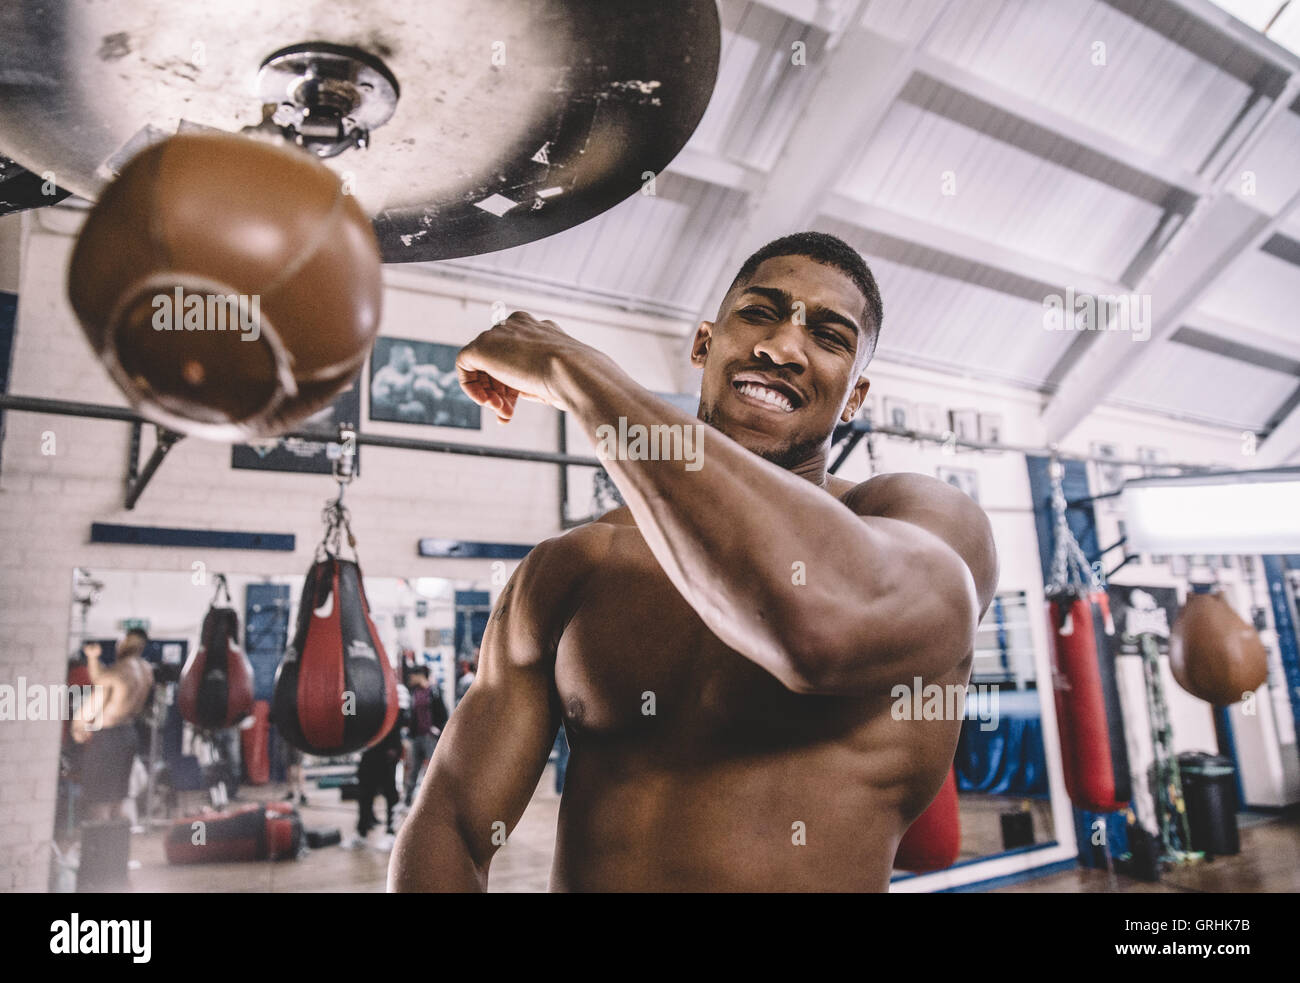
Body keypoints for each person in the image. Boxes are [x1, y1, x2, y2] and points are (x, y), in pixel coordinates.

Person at [390, 231, 998, 892]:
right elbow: (451, 818)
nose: (781, 346)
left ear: (854, 396)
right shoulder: (573, 566)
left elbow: (822, 626)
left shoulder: (927, 520)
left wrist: (575, 371)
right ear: (704, 345)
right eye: (760, 312)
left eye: (828, 335)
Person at [72, 630, 154, 823]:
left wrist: (78, 725)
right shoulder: (145, 669)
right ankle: (115, 850)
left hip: (109, 736)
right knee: (118, 799)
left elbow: (97, 697)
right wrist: (93, 659)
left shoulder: (120, 670)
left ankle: (99, 852)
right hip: (128, 733)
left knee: (100, 801)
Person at [403, 665, 448, 806]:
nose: (410, 678)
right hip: (417, 736)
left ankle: (433, 800)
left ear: (420, 675)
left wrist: (438, 731)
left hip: (430, 736)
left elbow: (442, 713)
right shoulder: (414, 693)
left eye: (413, 676)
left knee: (432, 770)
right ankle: (408, 799)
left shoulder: (433, 691)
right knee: (414, 768)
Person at [356, 721, 403, 841]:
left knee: (390, 794)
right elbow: (349, 712)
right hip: (368, 751)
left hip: (386, 753)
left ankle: (391, 831)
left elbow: (396, 720)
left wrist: (394, 747)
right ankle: (362, 831)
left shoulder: (393, 705)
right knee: (365, 794)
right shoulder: (353, 703)